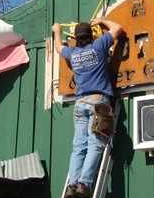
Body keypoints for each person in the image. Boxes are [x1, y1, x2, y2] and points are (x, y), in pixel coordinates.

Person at [52, 18, 123, 198]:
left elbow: (59, 48)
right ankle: (84, 184)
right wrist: (101, 20)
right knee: (95, 144)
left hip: (80, 102)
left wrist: (57, 31)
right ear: (92, 36)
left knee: (78, 146)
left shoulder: (73, 53)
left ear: (76, 38)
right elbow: (118, 28)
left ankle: (72, 185)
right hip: (98, 101)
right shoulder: (98, 47)